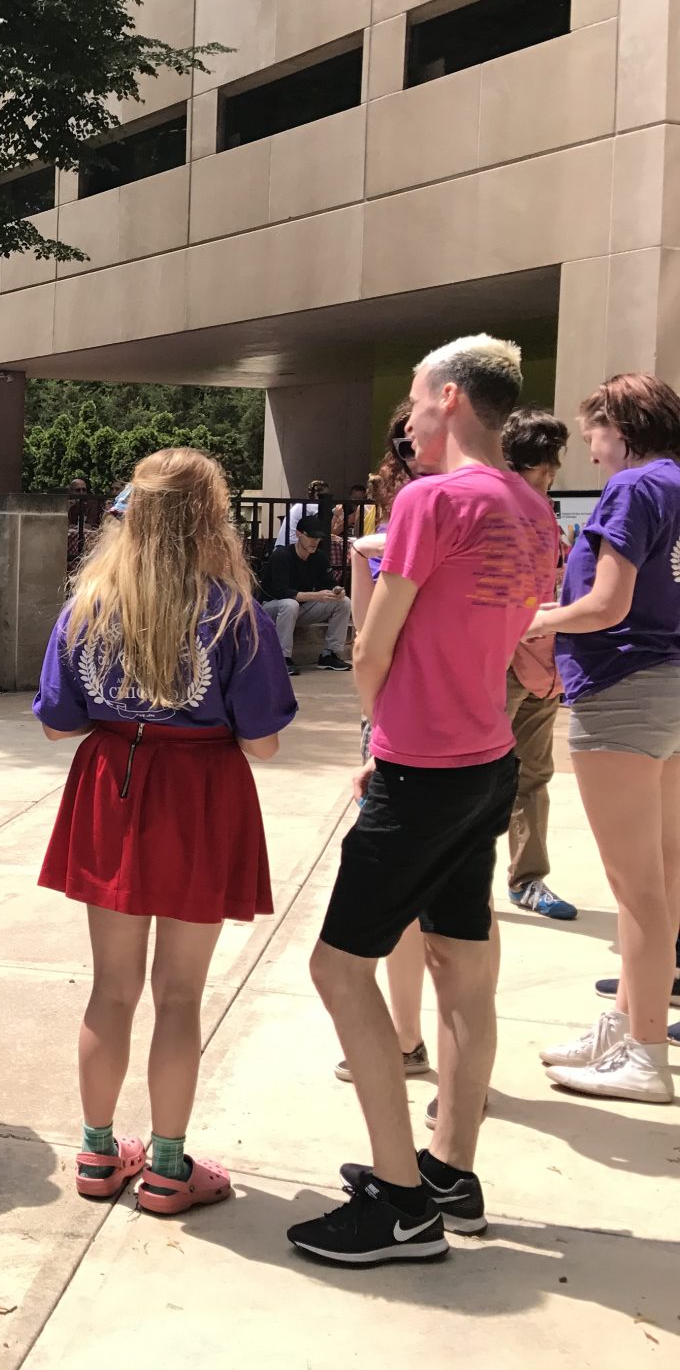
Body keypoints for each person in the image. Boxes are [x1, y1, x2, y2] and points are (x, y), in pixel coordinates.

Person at [289, 336, 556, 1267]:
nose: (406, 417)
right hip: (486, 765)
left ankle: (400, 1203)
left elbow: (373, 645)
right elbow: (529, 656)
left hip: (426, 770)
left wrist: (382, 739)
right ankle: (451, 1173)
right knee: (463, 966)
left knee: (338, 969)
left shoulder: (430, 500)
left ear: (448, 398)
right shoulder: (534, 508)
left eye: (412, 399)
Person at [35, 448, 295, 1214]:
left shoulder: (88, 605)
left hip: (113, 789)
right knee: (179, 995)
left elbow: (57, 726)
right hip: (201, 795)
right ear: (213, 521)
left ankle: (95, 1152)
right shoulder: (234, 613)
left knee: (110, 990)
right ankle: (169, 1168)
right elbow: (264, 741)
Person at [526, 373, 680, 1103]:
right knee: (662, 876)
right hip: (673, 689)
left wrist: (537, 619)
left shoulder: (633, 489)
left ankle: (645, 1053)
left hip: (622, 689)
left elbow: (607, 604)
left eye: (592, 430)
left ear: (620, 425)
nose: (589, 448)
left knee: (635, 886)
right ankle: (628, 1026)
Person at [331, 401, 432, 1092]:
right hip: (478, 730)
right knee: (455, 900)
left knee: (398, 893)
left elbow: (369, 647)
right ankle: (418, 1039)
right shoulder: (506, 519)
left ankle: (406, 1037)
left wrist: (375, 732)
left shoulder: (382, 546)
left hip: (406, 729)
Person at [501, 408, 577, 922]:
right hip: (502, 662)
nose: (551, 473)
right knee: (473, 774)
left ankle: (528, 879)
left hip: (540, 662)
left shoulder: (541, 512)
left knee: (533, 775)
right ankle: (448, 876)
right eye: (547, 463)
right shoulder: (497, 507)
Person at [257, 514, 352, 675]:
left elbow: (328, 582)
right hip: (271, 609)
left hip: (299, 610)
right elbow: (281, 592)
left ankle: (330, 654)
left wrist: (337, 590)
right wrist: (315, 596)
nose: (315, 541)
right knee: (289, 604)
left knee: (344, 602)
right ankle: (282, 658)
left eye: (318, 538)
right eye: (311, 537)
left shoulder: (319, 557)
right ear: (299, 534)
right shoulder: (282, 556)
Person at [274, 477, 332, 548]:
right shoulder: (313, 506)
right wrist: (336, 514)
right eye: (326, 495)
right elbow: (327, 527)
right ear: (317, 495)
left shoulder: (302, 505)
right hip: (293, 547)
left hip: (282, 545)